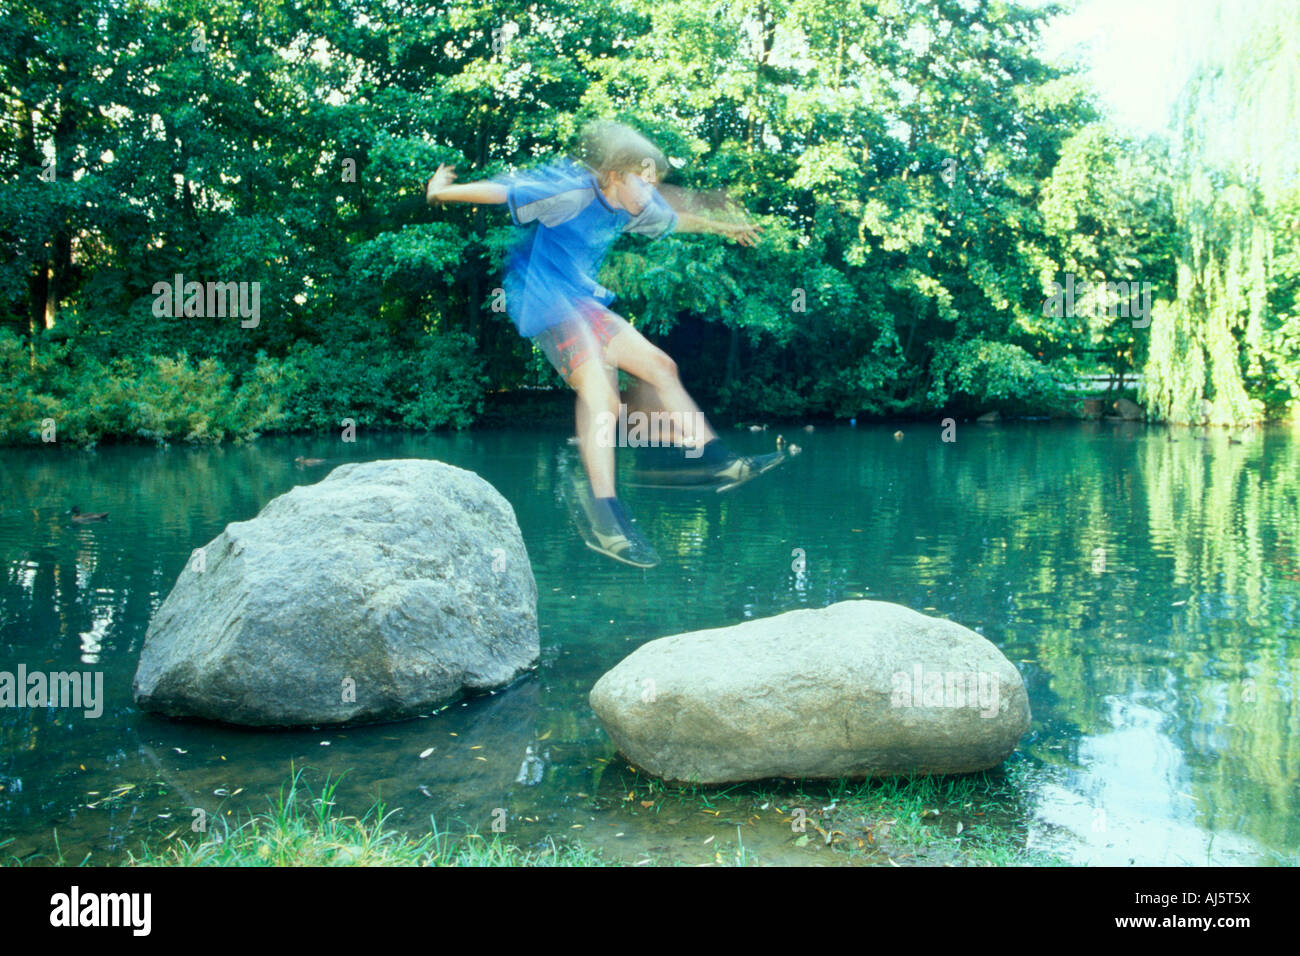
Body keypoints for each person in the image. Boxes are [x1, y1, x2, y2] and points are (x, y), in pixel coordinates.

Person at [426, 120, 779, 568]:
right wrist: (439, 192)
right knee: (604, 400)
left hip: (582, 302)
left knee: (661, 367)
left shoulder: (633, 207)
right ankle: (603, 515)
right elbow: (501, 191)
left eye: (654, 185)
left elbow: (678, 221)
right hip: (543, 298)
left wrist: (723, 227)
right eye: (643, 182)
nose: (650, 194)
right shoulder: (570, 193)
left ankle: (717, 461)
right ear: (614, 174)